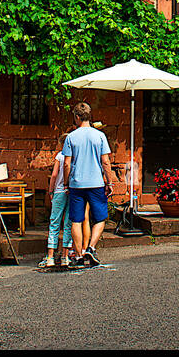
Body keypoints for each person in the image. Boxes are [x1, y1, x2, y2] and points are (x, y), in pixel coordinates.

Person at [63, 102, 113, 267]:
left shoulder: (71, 137)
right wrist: (110, 181)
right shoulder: (99, 136)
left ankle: (78, 255)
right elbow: (105, 161)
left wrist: (66, 183)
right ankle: (90, 248)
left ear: (77, 117)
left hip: (77, 184)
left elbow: (66, 164)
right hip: (96, 182)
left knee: (76, 220)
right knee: (100, 217)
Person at [40, 131, 74, 269]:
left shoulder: (59, 156)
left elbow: (54, 175)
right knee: (68, 224)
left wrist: (50, 190)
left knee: (54, 223)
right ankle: (65, 256)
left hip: (59, 191)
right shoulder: (74, 157)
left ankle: (50, 256)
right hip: (71, 192)